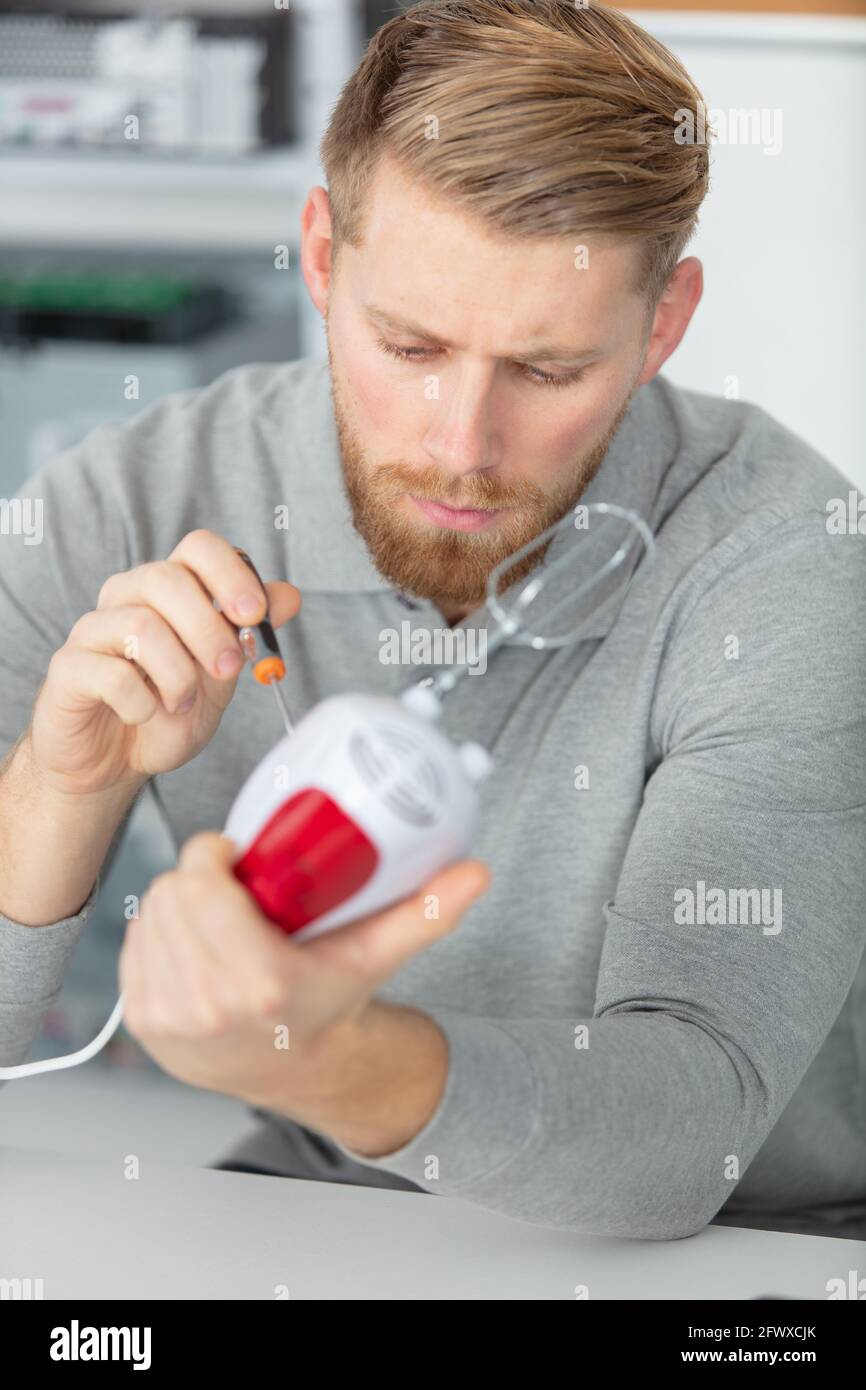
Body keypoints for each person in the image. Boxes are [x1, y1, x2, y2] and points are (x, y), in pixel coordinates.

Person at [1, 0, 864, 1242]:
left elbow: (691, 1128)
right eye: (407, 346)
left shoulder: (783, 562)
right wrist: (59, 785)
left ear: (661, 325)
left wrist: (319, 1058)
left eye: (546, 370)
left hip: (741, 1256)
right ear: (318, 255)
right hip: (326, 1213)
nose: (459, 448)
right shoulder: (129, 499)